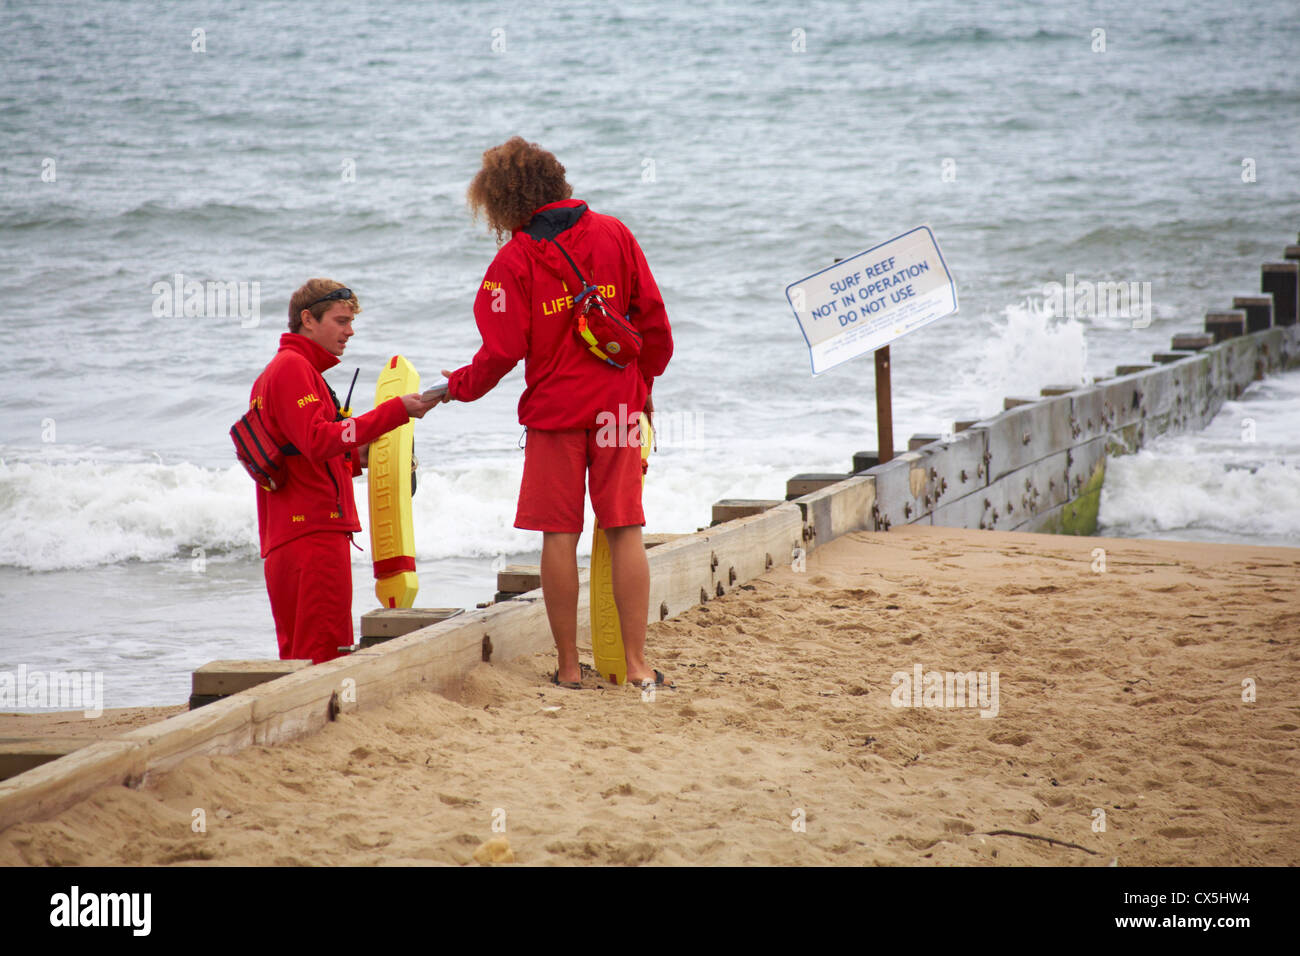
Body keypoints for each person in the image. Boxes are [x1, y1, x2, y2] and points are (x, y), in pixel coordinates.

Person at [437, 137, 674, 689]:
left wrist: (454, 389)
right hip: (617, 406)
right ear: (557, 181)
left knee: (559, 536)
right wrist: (644, 384)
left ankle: (568, 667)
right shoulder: (615, 233)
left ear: (500, 201)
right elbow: (654, 324)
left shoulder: (512, 261)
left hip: (553, 417)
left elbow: (499, 352)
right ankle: (637, 667)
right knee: (625, 529)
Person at [250, 279, 440, 663]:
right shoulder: (292, 369)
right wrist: (395, 411)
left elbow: (302, 454)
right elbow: (319, 440)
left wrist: (359, 457)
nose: (350, 331)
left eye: (351, 321)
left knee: (300, 656)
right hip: (312, 533)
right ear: (308, 319)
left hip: (294, 533)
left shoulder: (289, 370)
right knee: (325, 654)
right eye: (341, 321)